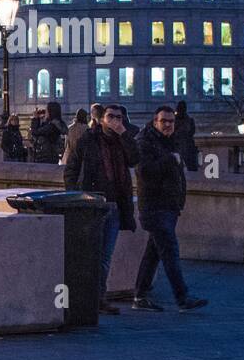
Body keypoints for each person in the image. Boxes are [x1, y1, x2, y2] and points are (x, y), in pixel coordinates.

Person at [131, 105, 207, 312]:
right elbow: (145, 172)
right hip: (155, 207)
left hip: (169, 206)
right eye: (163, 121)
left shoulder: (170, 141)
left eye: (171, 121)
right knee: (170, 252)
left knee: (153, 253)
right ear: (155, 121)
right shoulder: (144, 142)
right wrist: (169, 159)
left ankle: (140, 296)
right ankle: (182, 298)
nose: (167, 125)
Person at [64, 104, 138, 314]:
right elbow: (71, 169)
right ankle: (87, 299)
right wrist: (74, 196)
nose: (115, 120)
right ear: (102, 118)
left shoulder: (124, 140)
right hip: (93, 205)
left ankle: (98, 298)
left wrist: (124, 134)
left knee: (105, 256)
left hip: (115, 205)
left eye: (119, 117)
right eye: (111, 116)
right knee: (90, 253)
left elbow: (135, 159)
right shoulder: (88, 140)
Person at [173, 100, 200, 172]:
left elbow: (191, 132)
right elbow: (191, 132)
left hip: (183, 145)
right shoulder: (189, 120)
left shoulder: (176, 120)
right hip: (184, 145)